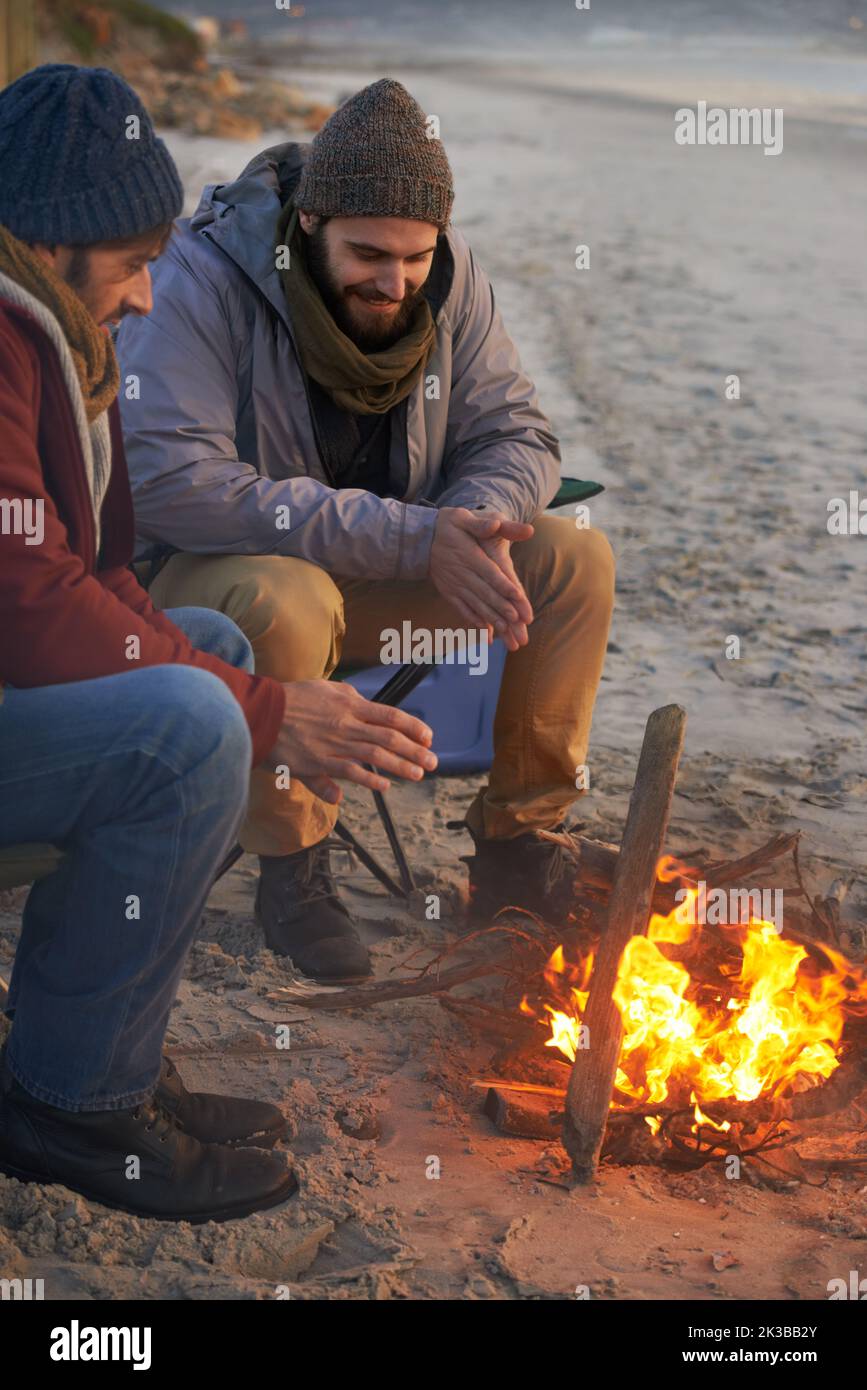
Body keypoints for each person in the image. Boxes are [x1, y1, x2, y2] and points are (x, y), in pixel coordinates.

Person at [0, 65, 435, 1222]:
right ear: (53, 243)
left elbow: (87, 577)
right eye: (133, 260)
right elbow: (30, 603)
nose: (146, 295)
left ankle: (95, 1055)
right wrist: (269, 714)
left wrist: (238, 686)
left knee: (198, 643)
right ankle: (73, 1099)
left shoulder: (46, 333)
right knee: (194, 726)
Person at [118, 79, 615, 984]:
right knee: (288, 594)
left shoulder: (448, 276)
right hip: (201, 588)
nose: (395, 282)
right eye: (369, 255)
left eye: (415, 257)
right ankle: (293, 871)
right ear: (308, 224)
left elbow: (516, 431)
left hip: (384, 570)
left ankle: (516, 838)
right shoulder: (203, 277)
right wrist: (413, 538)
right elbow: (169, 484)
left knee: (571, 555)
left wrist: (477, 522)